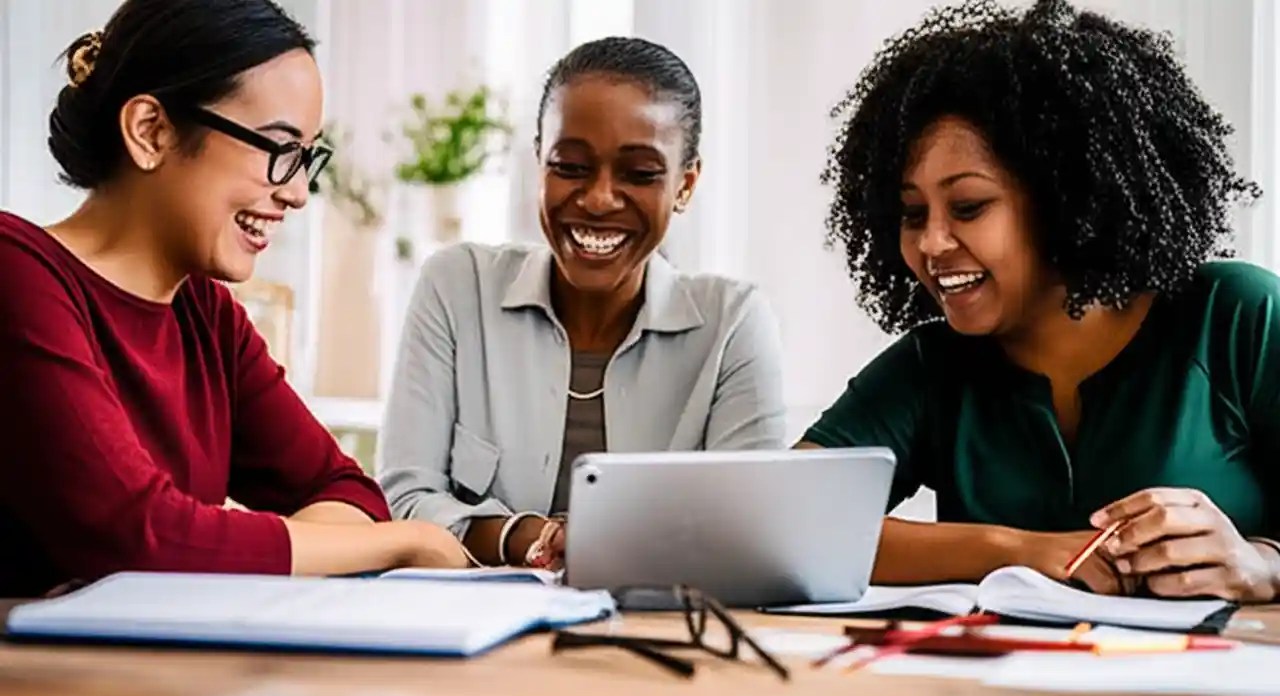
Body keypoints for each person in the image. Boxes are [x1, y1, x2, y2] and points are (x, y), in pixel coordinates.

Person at [801, 0, 1280, 603]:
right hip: (993, 692)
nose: (930, 243)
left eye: (969, 207)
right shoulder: (932, 366)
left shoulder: (1236, 315)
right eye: (913, 214)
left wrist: (1262, 565)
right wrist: (1019, 550)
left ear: (1068, 200)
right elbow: (782, 529)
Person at [0, 0, 467, 598]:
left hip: (154, 678)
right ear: (151, 131)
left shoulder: (207, 313)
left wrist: (205, 549)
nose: (297, 192)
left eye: (306, 158)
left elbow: (347, 492)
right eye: (278, 148)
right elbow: (137, 537)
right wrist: (406, 541)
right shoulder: (17, 274)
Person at [378, 37, 787, 571]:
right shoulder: (457, 287)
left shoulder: (733, 324)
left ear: (685, 185)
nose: (597, 199)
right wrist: (525, 535)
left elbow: (746, 532)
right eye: (570, 166)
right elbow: (403, 501)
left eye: (640, 174)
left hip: (660, 631)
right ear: (539, 164)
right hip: (473, 633)